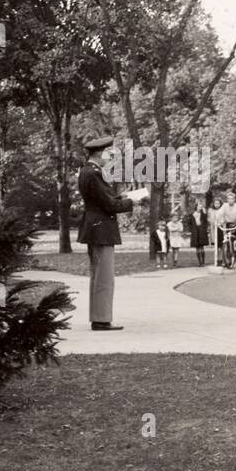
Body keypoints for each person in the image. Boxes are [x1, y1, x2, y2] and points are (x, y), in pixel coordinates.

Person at [76, 134, 142, 330]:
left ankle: (99, 317)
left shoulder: (88, 171)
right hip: (101, 228)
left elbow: (102, 199)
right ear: (101, 154)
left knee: (98, 275)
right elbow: (109, 205)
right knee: (104, 276)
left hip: (96, 227)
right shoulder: (94, 173)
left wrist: (121, 196)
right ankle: (101, 319)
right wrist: (132, 201)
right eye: (108, 153)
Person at [215, 189, 236, 267]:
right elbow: (219, 214)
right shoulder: (224, 206)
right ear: (227, 199)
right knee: (227, 240)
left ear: (234, 199)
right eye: (229, 199)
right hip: (228, 224)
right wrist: (218, 221)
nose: (230, 200)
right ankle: (226, 259)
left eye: (232, 199)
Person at [188, 202, 209, 267]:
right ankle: (199, 262)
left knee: (202, 246)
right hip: (195, 232)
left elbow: (206, 222)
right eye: (199, 206)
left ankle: (203, 262)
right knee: (197, 247)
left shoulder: (203, 214)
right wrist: (192, 230)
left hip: (202, 231)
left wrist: (204, 229)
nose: (200, 208)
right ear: (196, 207)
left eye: (201, 206)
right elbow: (189, 223)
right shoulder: (192, 214)